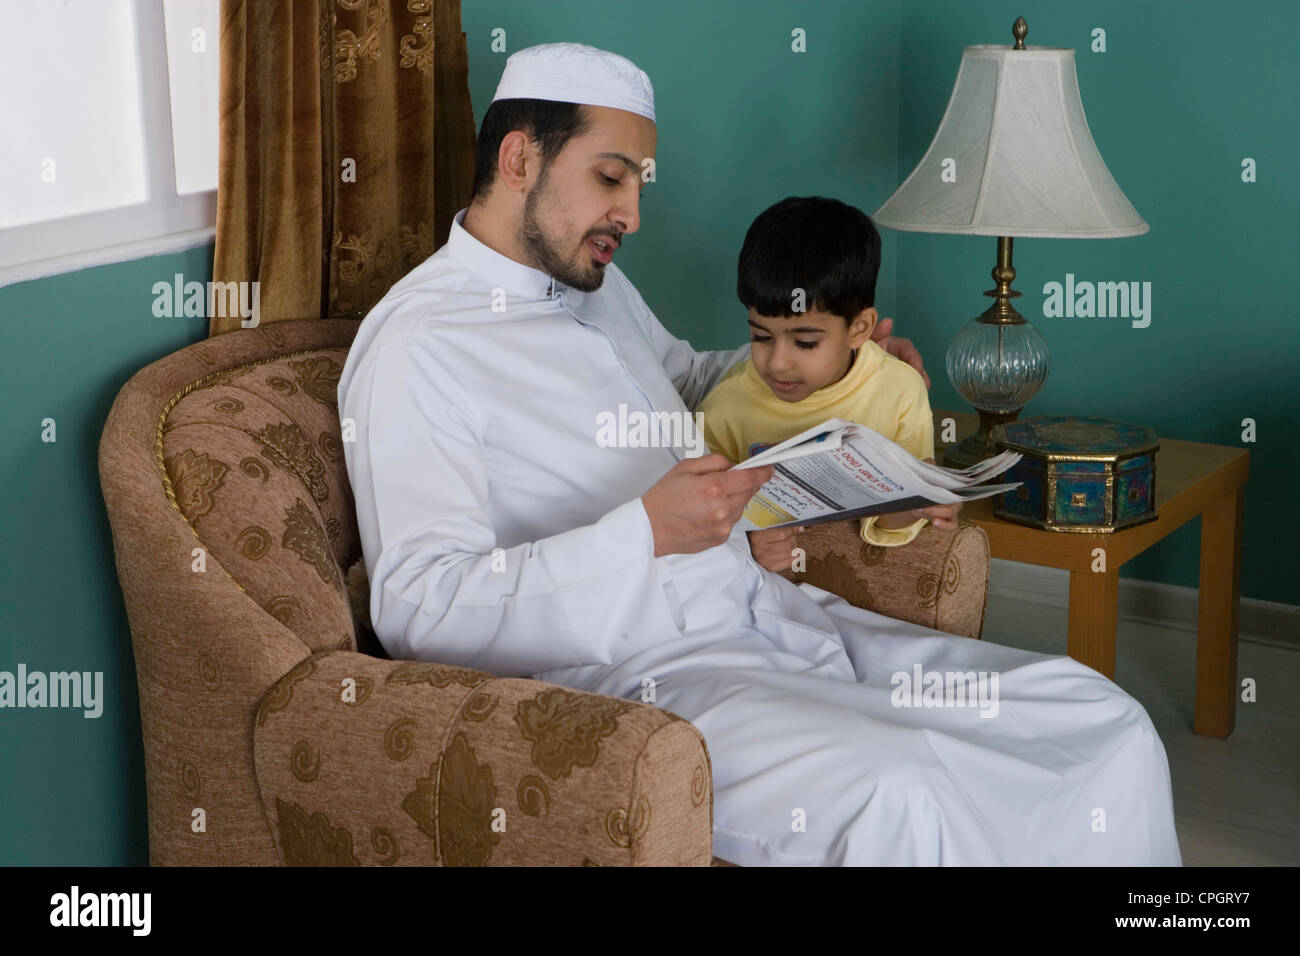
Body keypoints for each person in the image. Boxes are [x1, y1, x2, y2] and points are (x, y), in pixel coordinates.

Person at [338, 42, 1182, 866]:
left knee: (1098, 716)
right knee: (907, 794)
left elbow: (695, 381)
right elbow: (418, 609)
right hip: (646, 678)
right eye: (611, 176)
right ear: (520, 158)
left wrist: (847, 379)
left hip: (771, 613)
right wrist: (646, 533)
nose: (632, 214)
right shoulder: (421, 347)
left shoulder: (594, 286)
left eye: (638, 181)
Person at [697, 195, 959, 565]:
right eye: (761, 336)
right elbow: (703, 520)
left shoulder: (899, 390)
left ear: (860, 328)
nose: (778, 363)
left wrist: (921, 504)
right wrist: (748, 542)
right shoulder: (725, 407)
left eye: (805, 342)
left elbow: (894, 521)